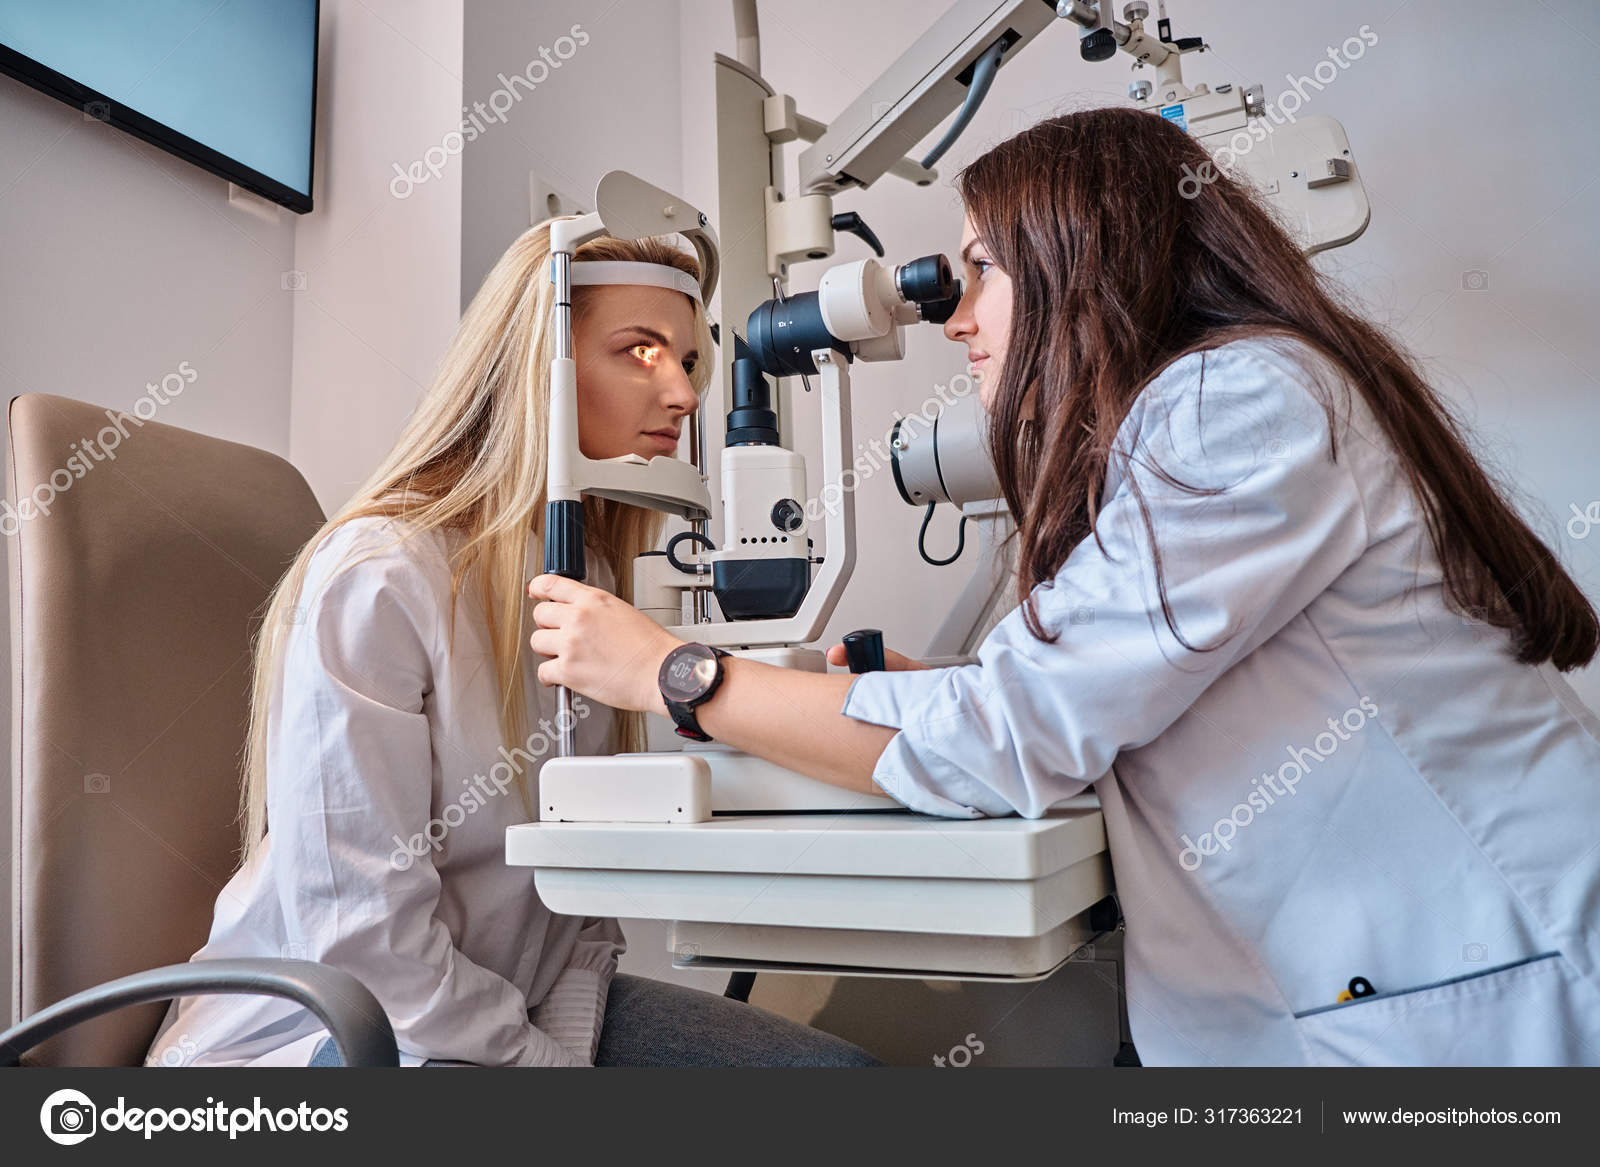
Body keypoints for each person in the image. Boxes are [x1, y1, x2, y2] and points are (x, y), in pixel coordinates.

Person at [527, 109, 1600, 1066]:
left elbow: (1013, 734)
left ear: (1084, 256)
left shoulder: (1232, 400)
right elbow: (1099, 685)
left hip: (1472, 986)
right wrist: (931, 689)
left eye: (979, 269)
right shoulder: (1240, 393)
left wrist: (672, 670)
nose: (956, 322)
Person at [144, 222, 875, 1068]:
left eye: (687, 361)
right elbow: (365, 946)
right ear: (542, 371)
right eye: (640, 352)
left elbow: (573, 897)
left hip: (507, 1011)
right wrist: (541, 1070)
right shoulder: (383, 574)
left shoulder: (586, 579)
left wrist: (555, 1050)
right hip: (330, 1039)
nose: (682, 393)